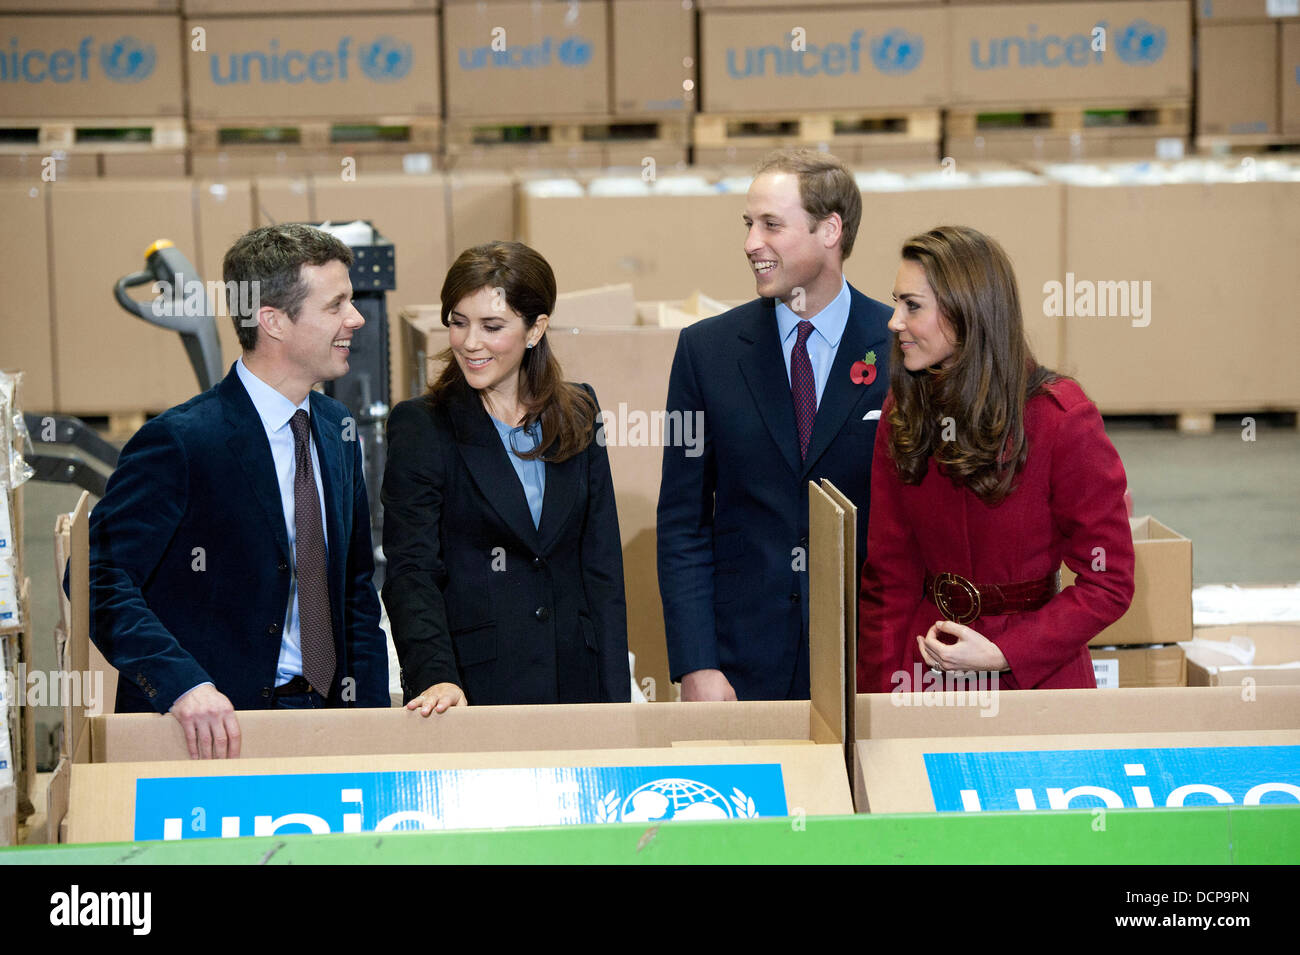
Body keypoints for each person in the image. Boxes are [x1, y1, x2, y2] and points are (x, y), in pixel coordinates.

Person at [89, 223, 391, 759]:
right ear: (272, 321)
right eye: (336, 305)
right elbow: (98, 579)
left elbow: (355, 590)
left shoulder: (335, 429)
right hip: (214, 736)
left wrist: (369, 722)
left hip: (328, 723)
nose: (356, 319)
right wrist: (182, 684)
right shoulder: (181, 442)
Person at [657, 148, 892, 702]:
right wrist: (696, 664)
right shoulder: (705, 352)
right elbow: (683, 522)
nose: (750, 243)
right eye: (748, 224)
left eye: (771, 225)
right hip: (740, 669)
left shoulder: (901, 347)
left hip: (870, 660)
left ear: (829, 230)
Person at [858, 225, 1135, 692]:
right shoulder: (904, 411)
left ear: (967, 313)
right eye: (896, 302)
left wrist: (1009, 652)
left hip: (1038, 681)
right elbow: (888, 575)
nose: (893, 321)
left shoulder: (1061, 420)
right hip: (924, 672)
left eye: (912, 306)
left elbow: (1109, 582)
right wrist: (878, 698)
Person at [382, 241, 630, 712]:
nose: (470, 342)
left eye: (492, 326)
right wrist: (434, 677)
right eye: (458, 322)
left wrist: (615, 700)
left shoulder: (579, 410)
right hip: (473, 692)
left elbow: (602, 566)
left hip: (576, 686)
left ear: (535, 329)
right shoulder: (422, 425)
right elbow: (412, 570)